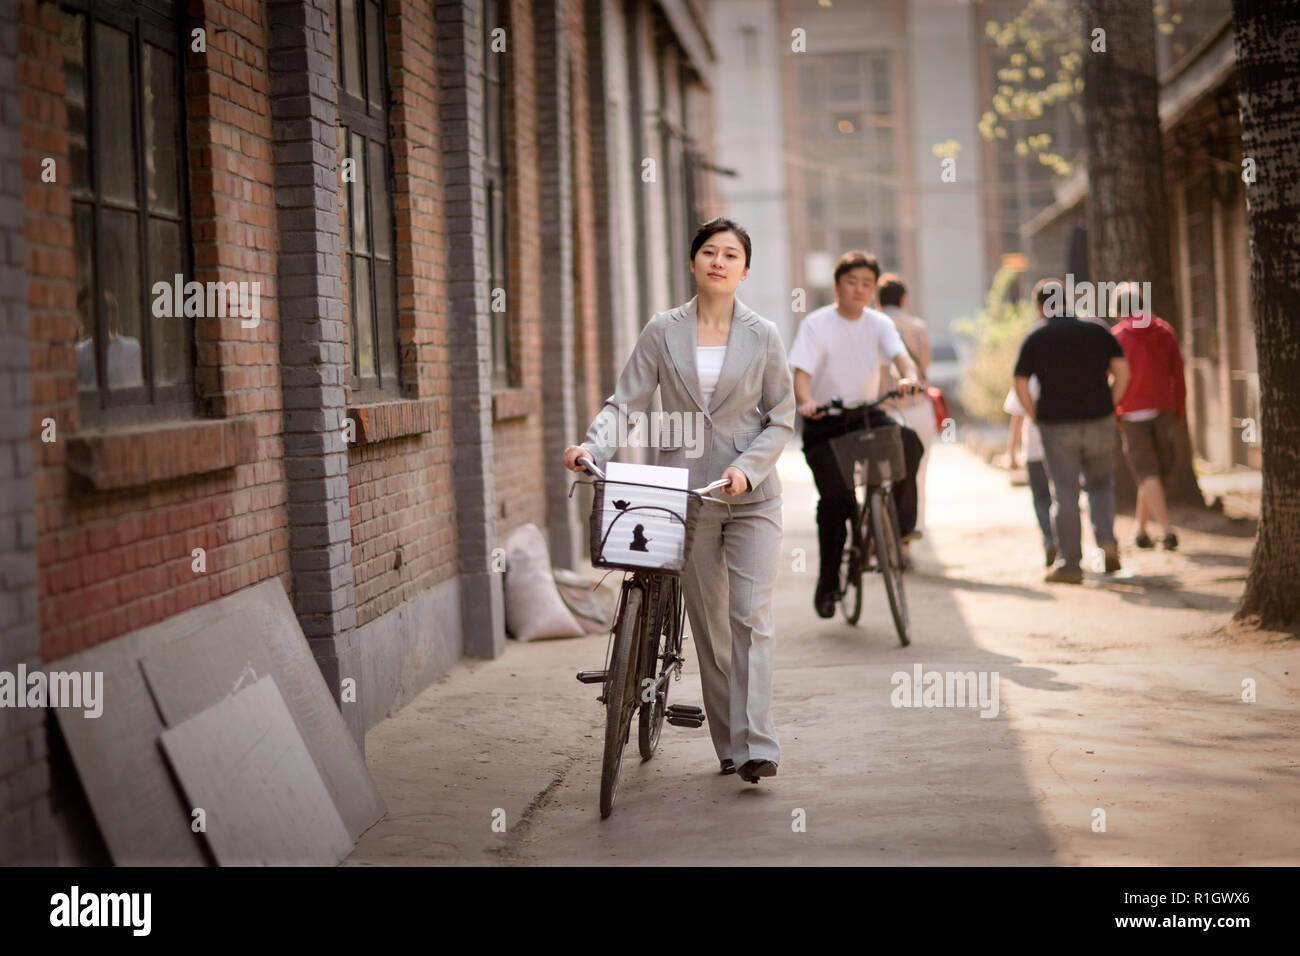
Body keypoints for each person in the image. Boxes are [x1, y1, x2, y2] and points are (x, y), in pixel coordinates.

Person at [563, 217, 795, 785]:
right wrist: (591, 446)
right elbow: (626, 403)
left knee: (751, 617)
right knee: (711, 627)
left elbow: (781, 417)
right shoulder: (662, 331)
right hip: (683, 498)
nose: (719, 261)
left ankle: (758, 744)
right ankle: (730, 744)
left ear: (745, 269)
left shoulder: (763, 334)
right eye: (709, 252)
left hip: (750, 496)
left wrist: (746, 470)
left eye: (731, 254)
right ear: (694, 263)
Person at [789, 250, 924, 618]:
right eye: (852, 282)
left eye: (867, 284)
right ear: (837, 286)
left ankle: (896, 528)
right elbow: (800, 374)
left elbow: (901, 357)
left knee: (909, 442)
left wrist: (908, 377)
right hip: (825, 421)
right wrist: (806, 402)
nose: (860, 290)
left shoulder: (879, 323)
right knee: (837, 501)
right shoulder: (816, 324)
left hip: (867, 413)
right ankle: (829, 583)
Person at [1013, 278, 1130, 584]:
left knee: (1065, 494)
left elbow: (1020, 382)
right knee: (1101, 486)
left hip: (1056, 425)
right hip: (1100, 422)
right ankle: (1107, 544)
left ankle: (1071, 564)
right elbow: (1123, 372)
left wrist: (1034, 414)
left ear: (1040, 306)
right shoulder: (1097, 329)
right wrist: (1109, 404)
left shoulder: (1036, 336)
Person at [1109, 282, 1186, 551]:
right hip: (1163, 409)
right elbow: (1178, 373)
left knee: (1147, 471)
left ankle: (1166, 531)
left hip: (1130, 412)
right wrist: (1178, 408)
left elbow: (1112, 377)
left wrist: (1112, 408)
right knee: (1152, 472)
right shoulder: (1165, 331)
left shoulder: (1117, 337)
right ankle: (1141, 530)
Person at [876, 273, 937, 536]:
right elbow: (923, 367)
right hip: (918, 407)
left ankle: (879, 533)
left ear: (877, 301)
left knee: (879, 475)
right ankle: (907, 537)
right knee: (917, 474)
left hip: (884, 409)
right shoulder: (918, 328)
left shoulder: (873, 325)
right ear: (903, 299)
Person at [1004, 372, 1056, 567]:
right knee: (1061, 495)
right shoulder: (1059, 370)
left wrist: (1012, 452)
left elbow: (1017, 417)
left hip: (1034, 448)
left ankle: (1050, 539)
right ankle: (1063, 543)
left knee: (1042, 499)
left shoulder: (1026, 377)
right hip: (1060, 447)